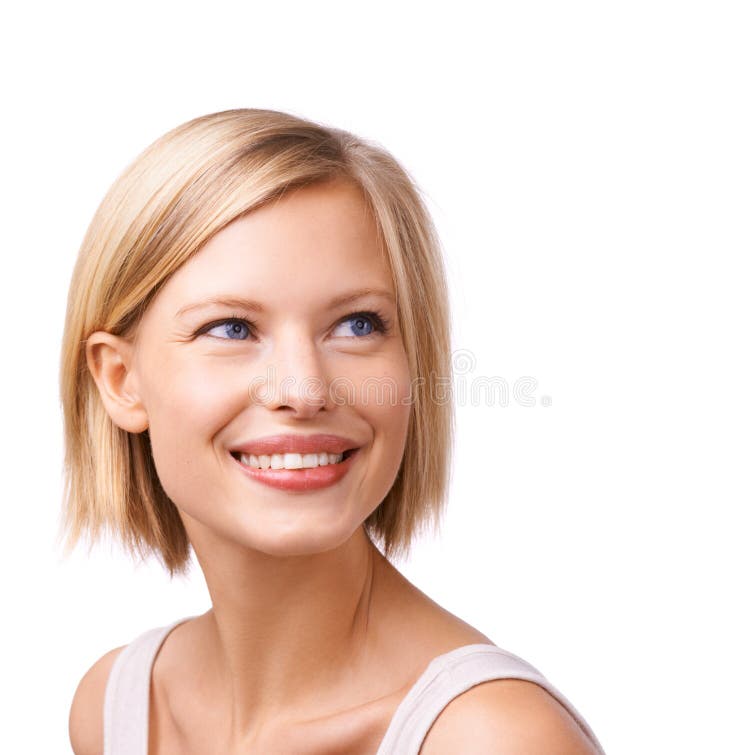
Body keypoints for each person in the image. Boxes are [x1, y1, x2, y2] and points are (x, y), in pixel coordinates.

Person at [61, 108, 605, 754]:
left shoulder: (492, 738)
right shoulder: (117, 706)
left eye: (356, 324)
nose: (304, 389)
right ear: (121, 379)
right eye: (232, 328)